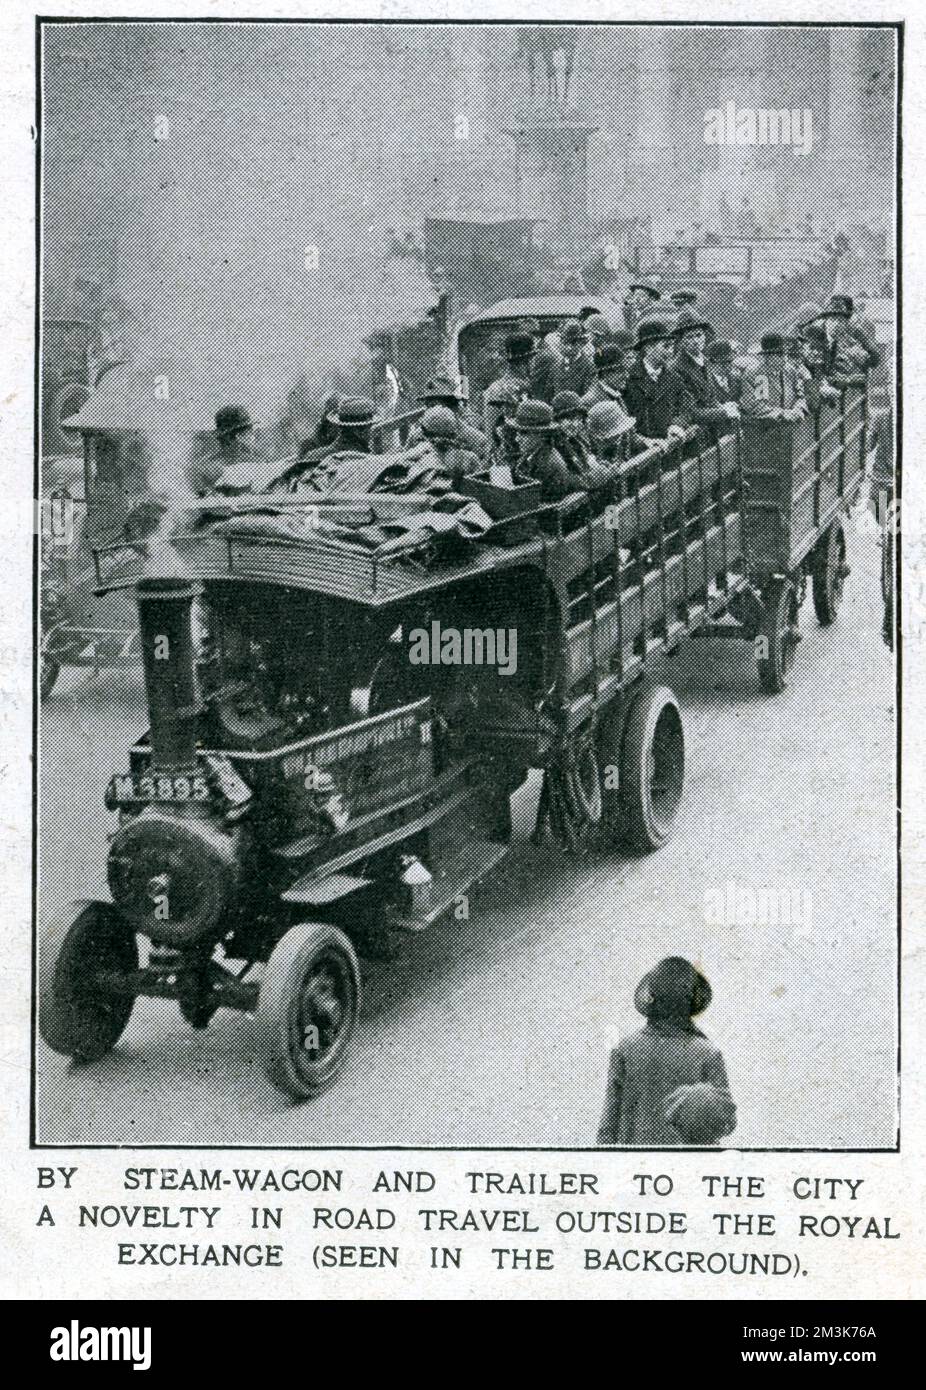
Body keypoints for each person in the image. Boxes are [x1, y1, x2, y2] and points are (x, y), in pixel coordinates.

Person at [597, 956, 736, 1145]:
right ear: (689, 1000)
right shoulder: (708, 1052)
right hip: (688, 1169)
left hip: (633, 1169)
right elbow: (727, 1120)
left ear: (653, 998)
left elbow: (607, 1129)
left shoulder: (625, 1049)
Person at [664, 311, 740, 434]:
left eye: (698, 335)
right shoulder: (676, 368)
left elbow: (710, 397)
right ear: (681, 341)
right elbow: (689, 412)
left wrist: (723, 407)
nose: (695, 341)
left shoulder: (704, 360)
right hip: (693, 433)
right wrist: (723, 412)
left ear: (704, 335)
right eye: (689, 337)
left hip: (712, 429)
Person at [624, 317, 691, 440]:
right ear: (648, 348)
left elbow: (686, 407)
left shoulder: (675, 378)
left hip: (670, 447)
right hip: (642, 451)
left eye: (671, 346)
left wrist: (676, 425)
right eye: (666, 346)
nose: (670, 352)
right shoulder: (627, 379)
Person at [189, 405, 268, 496]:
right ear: (239, 436)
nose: (253, 437)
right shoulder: (258, 464)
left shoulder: (203, 466)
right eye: (250, 433)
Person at [739, 335, 807, 421]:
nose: (785, 359)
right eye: (779, 355)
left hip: (789, 428)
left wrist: (799, 409)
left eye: (785, 354)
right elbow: (756, 406)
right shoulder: (757, 375)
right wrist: (782, 414)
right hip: (764, 429)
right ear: (767, 357)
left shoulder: (790, 371)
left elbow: (801, 395)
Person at [415, 375, 488, 457]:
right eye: (428, 405)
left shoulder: (473, 438)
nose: (430, 409)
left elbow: (483, 462)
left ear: (452, 406)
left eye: (434, 405)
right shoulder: (417, 434)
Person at [483, 331, 537, 437]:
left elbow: (489, 433)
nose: (534, 363)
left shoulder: (492, 389)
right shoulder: (524, 389)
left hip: (496, 450)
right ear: (526, 361)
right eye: (533, 358)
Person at [816, 293, 881, 378]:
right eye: (832, 317)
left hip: (850, 382)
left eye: (840, 319)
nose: (835, 323)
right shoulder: (817, 332)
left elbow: (875, 358)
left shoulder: (855, 332)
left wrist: (860, 357)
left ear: (848, 320)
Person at [579, 332, 636, 412]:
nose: (626, 376)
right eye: (620, 371)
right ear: (605, 373)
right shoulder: (591, 401)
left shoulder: (615, 395)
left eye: (625, 370)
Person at [558, 319, 596, 395]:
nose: (569, 347)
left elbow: (588, 396)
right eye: (565, 343)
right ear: (561, 342)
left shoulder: (589, 367)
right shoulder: (555, 366)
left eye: (573, 343)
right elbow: (548, 396)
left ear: (581, 343)